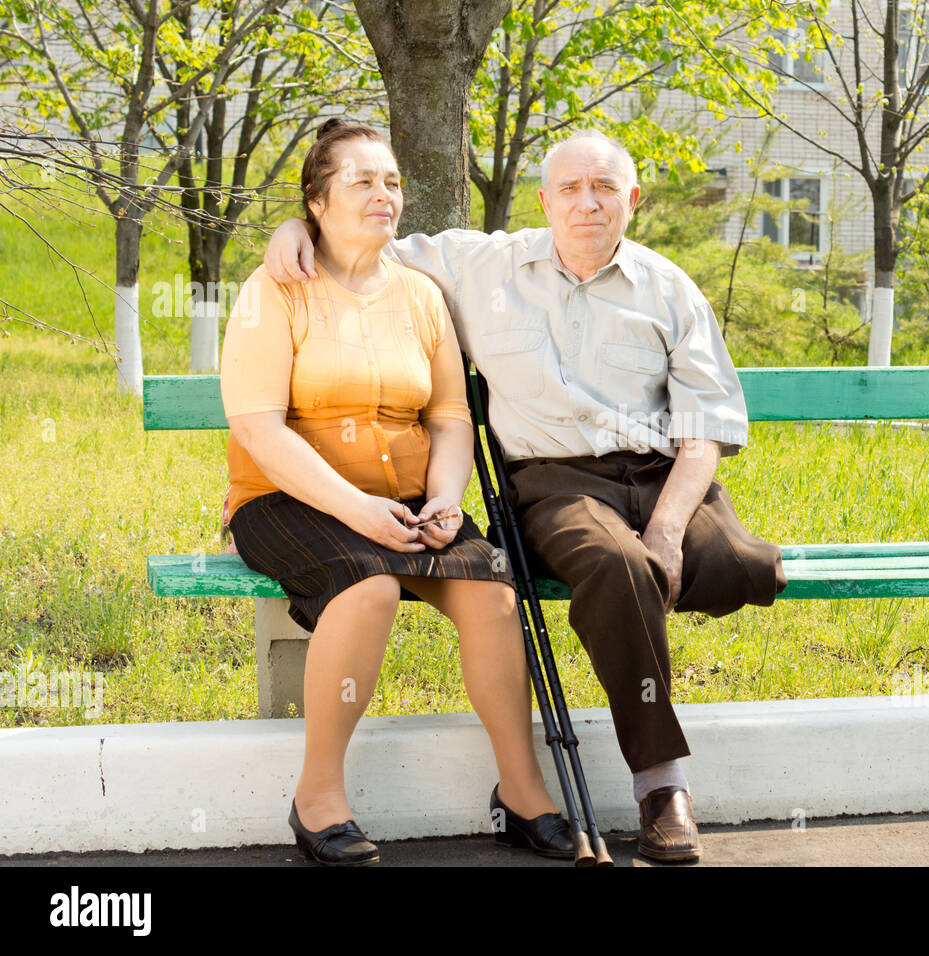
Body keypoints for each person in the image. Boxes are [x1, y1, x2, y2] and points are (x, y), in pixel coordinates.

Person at [264, 128, 787, 863]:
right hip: (556, 485)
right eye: (569, 189)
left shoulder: (670, 288)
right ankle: (663, 787)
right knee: (619, 570)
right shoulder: (485, 265)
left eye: (605, 188)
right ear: (544, 201)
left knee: (742, 565)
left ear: (631, 201)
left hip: (665, 480)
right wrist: (295, 223)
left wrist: (668, 527)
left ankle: (661, 569)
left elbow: (706, 428)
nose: (587, 204)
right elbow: (364, 236)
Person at [222, 118, 571, 865]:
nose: (384, 194)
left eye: (392, 181)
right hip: (288, 498)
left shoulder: (420, 294)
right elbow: (258, 427)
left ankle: (522, 791)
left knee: (492, 591)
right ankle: (318, 798)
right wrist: (358, 512)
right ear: (316, 203)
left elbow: (448, 416)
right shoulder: (274, 287)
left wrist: (445, 497)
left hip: (409, 497)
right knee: (369, 586)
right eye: (361, 181)